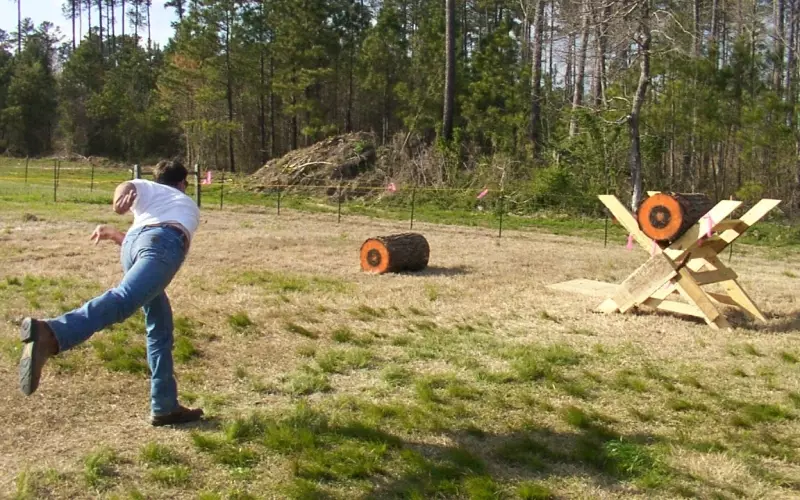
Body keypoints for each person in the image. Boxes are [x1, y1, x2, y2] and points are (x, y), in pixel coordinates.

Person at [18, 159, 204, 426]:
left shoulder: (152, 193)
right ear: (182, 183)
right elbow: (126, 187)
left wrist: (118, 223)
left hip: (135, 244)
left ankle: (165, 405)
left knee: (160, 326)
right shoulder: (177, 197)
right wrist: (119, 201)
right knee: (123, 299)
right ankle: (53, 333)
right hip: (162, 244)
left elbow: (129, 190)